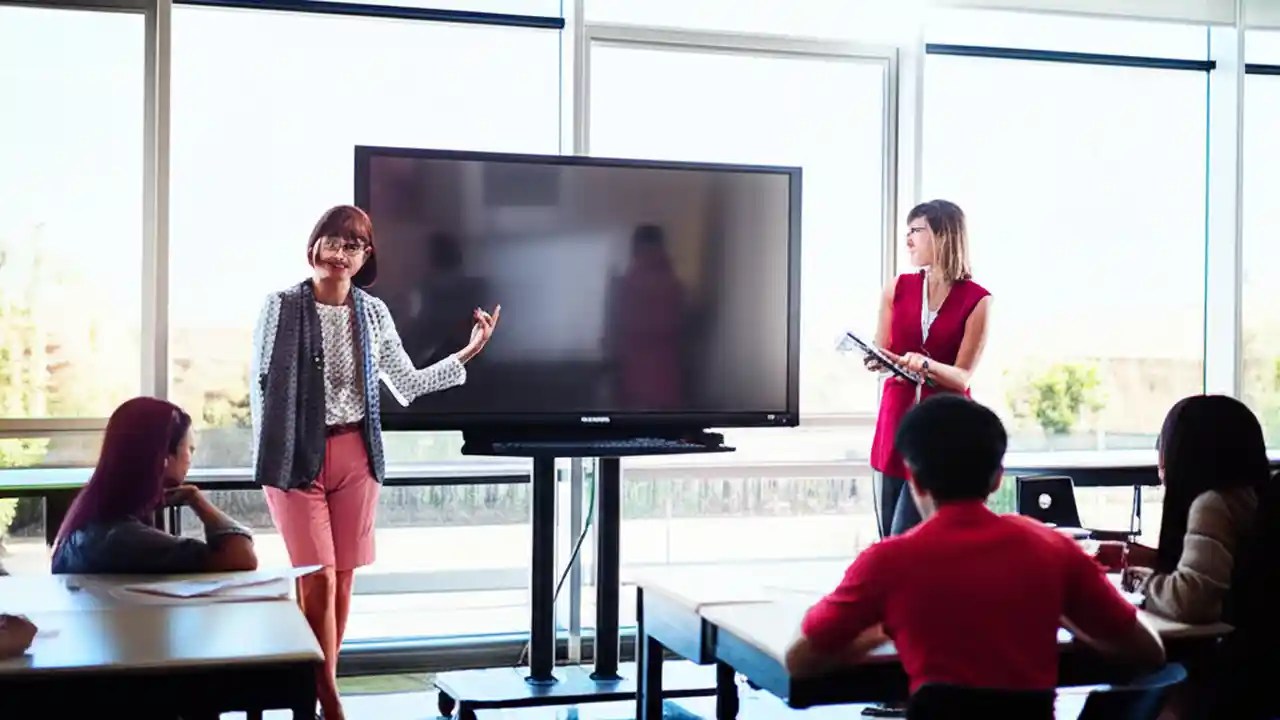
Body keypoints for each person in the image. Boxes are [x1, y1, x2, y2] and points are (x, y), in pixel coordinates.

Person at [250, 204, 499, 720]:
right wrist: (269, 460)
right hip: (296, 456)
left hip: (356, 456)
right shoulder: (280, 306)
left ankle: (317, 694)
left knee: (342, 579)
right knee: (317, 578)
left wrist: (468, 353)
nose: (341, 253)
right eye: (333, 241)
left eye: (354, 245)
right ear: (314, 245)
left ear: (366, 257)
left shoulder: (373, 312)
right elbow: (262, 388)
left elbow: (406, 384)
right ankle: (330, 701)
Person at [786, 396, 1164, 708]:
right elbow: (1149, 652)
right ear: (998, 477)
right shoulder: (1054, 549)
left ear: (913, 478)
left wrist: (882, 631)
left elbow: (799, 660)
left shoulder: (886, 562)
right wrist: (1063, 615)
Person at [1121, 395, 1278, 718]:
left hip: (1233, 682)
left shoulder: (1214, 504)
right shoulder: (1256, 498)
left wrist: (1140, 581)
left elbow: (1191, 600)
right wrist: (1151, 559)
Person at [866, 200, 992, 539]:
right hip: (894, 428)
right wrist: (876, 358)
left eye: (915, 231)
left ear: (943, 235)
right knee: (890, 541)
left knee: (914, 539)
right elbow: (883, 350)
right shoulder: (897, 288)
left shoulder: (977, 299)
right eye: (906, 232)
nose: (908, 240)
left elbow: (962, 377)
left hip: (943, 438)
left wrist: (926, 364)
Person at [51, 397, 257, 575]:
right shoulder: (126, 540)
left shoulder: (91, 525)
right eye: (190, 449)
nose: (190, 459)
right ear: (164, 457)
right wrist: (196, 499)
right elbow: (241, 557)